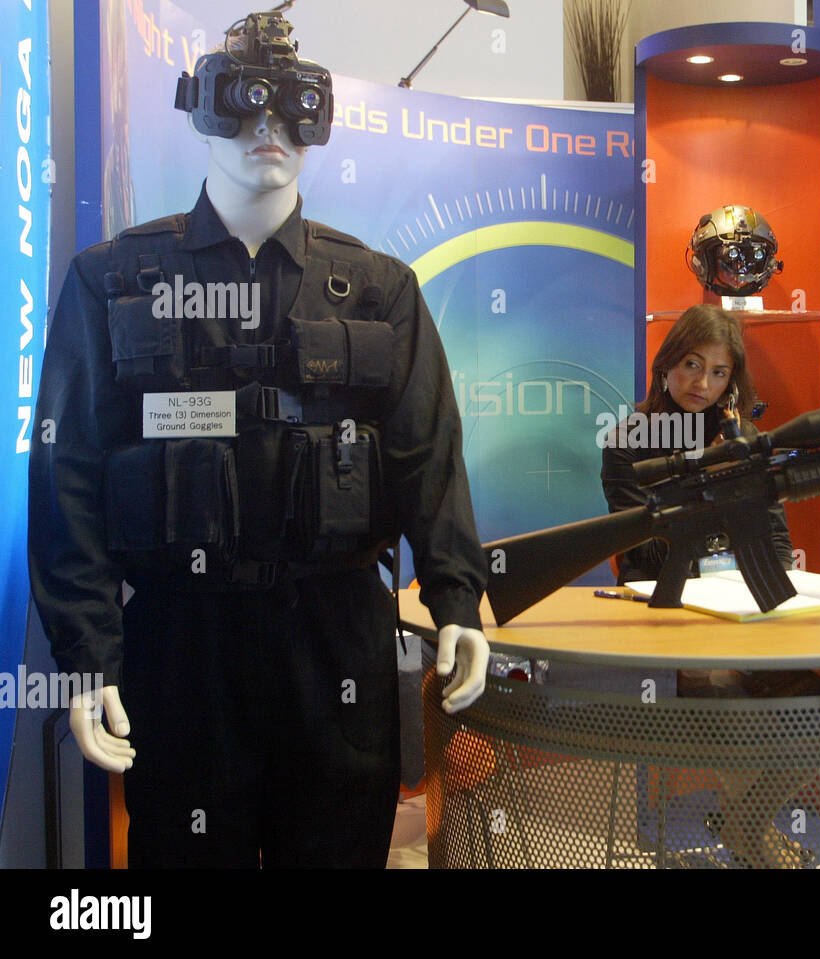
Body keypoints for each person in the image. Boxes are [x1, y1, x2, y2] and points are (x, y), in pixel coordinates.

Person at [27, 13, 490, 867]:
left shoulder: (378, 290)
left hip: (335, 637)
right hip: (182, 639)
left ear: (316, 123)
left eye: (291, 109)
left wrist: (458, 598)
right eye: (241, 106)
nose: (266, 130)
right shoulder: (114, 280)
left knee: (337, 849)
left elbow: (428, 453)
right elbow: (68, 475)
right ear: (201, 111)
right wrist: (88, 651)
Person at [600, 303, 820, 868]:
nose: (701, 383)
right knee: (730, 704)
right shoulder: (629, 438)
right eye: (690, 365)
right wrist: (714, 513)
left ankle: (743, 822)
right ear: (665, 365)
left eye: (719, 372)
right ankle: (750, 833)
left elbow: (776, 545)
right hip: (667, 624)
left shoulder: (745, 437)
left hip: (745, 621)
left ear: (733, 380)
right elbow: (644, 553)